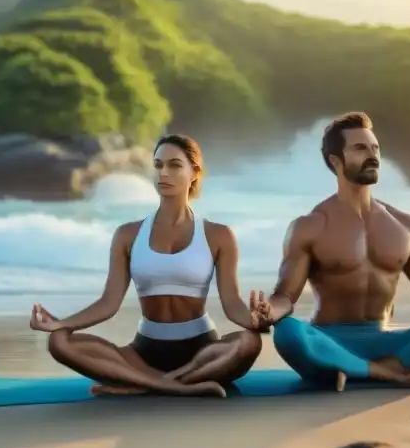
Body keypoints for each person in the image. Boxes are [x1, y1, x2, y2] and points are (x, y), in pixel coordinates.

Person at [249, 111, 410, 390]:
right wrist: (269, 313)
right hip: (329, 340)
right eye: (360, 148)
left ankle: (372, 369)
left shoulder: (405, 225)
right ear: (336, 161)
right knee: (287, 331)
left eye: (375, 148)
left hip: (387, 341)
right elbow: (286, 296)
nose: (372, 155)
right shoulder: (310, 226)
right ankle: (391, 372)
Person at [29, 134, 266, 398]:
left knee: (249, 342)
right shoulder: (128, 234)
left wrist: (255, 320)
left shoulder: (218, 235)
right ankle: (172, 385)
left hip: (201, 351)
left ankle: (145, 383)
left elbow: (232, 304)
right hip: (145, 351)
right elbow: (109, 303)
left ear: (194, 172)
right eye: (158, 165)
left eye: (175, 165)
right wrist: (60, 324)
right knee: (59, 341)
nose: (164, 173)